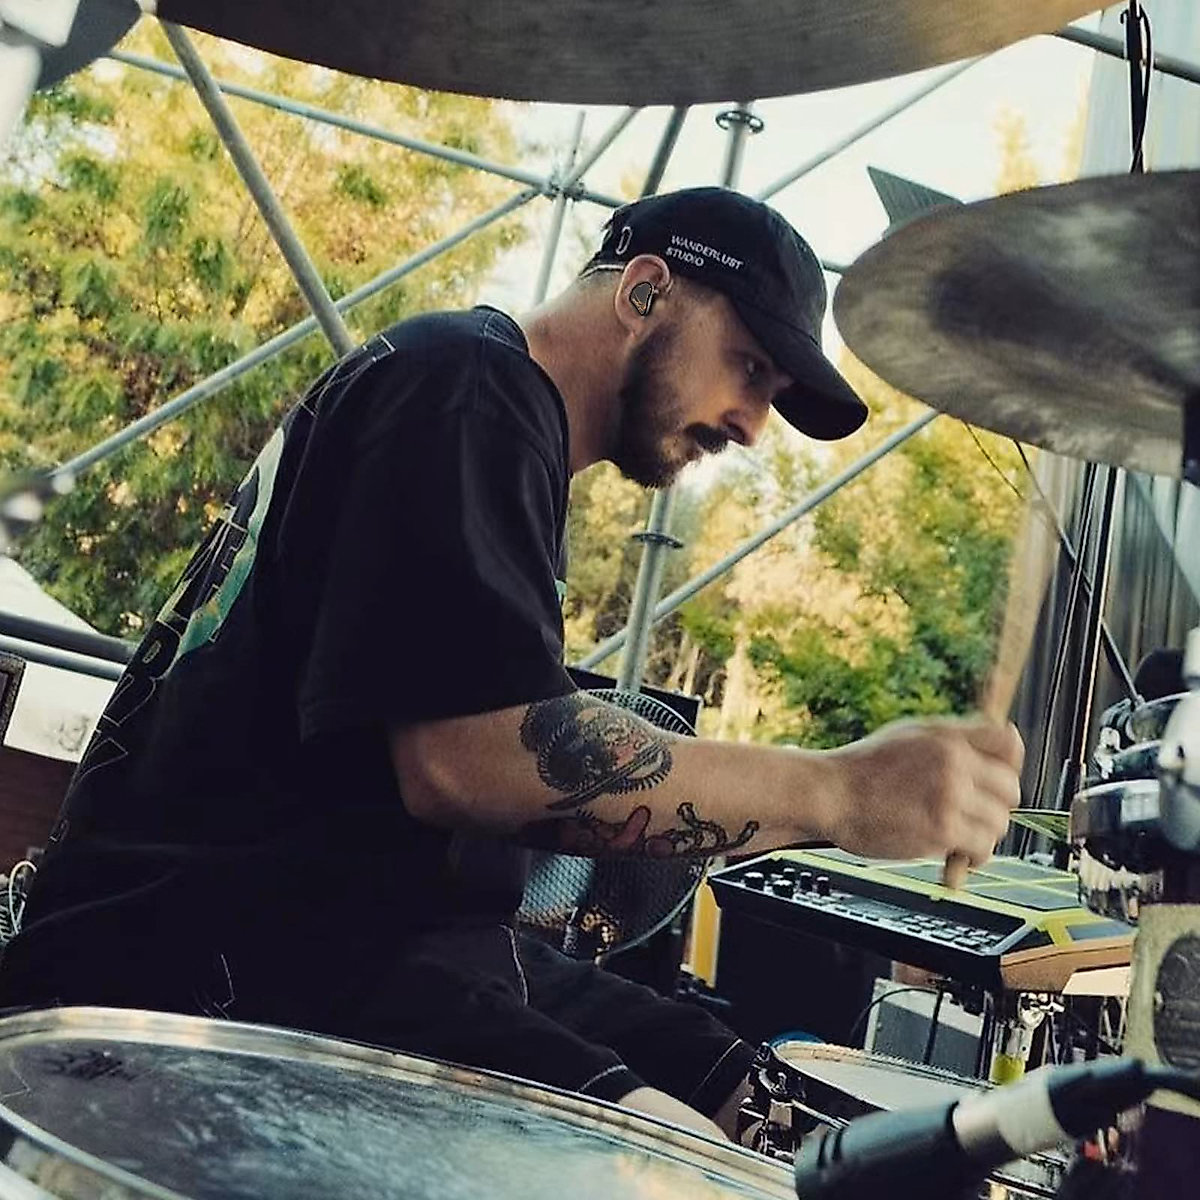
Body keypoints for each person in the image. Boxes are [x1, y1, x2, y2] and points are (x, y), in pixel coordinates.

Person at [0, 187, 1022, 1141]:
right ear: (645, 291)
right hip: (208, 964)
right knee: (667, 1159)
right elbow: (472, 759)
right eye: (751, 368)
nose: (753, 426)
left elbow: (433, 860)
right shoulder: (468, 387)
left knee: (749, 1096)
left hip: (354, 943)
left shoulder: (485, 410)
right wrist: (839, 791)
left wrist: (713, 1060)